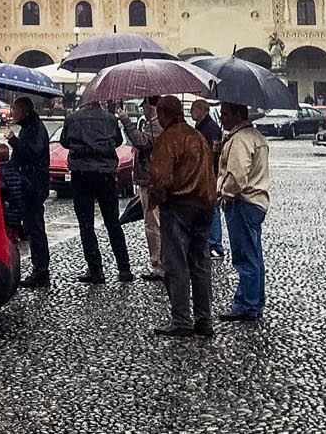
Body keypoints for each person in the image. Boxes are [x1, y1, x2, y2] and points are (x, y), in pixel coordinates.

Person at [144, 95, 216, 337]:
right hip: (204, 207)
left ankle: (182, 319)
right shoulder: (198, 137)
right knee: (200, 264)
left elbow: (161, 180)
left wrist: (156, 195)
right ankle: (204, 319)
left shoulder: (168, 139)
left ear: (164, 114)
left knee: (176, 264)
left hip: (179, 207)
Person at [61, 97, 132, 282]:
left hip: (81, 173)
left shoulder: (72, 118)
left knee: (86, 224)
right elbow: (118, 140)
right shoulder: (109, 119)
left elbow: (64, 142)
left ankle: (96, 269)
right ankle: (124, 268)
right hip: (105, 174)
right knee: (112, 221)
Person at [214, 103, 270, 322]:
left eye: (225, 114)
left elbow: (237, 177)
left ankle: (247, 304)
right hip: (257, 202)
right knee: (254, 254)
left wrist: (221, 191)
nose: (222, 118)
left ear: (238, 115)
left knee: (245, 255)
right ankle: (255, 300)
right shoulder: (255, 137)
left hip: (242, 202)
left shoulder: (240, 140)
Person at [5, 95, 52, 288]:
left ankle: (41, 271)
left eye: (15, 109)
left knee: (35, 230)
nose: (12, 113)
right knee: (32, 230)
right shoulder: (29, 128)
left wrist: (13, 141)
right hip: (29, 185)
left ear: (24, 111)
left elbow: (32, 153)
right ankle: (39, 270)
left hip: (33, 187)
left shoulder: (35, 129)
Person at [129, 97, 165, 281]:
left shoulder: (156, 125)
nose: (142, 109)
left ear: (151, 107)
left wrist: (126, 122)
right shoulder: (152, 124)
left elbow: (142, 142)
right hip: (150, 180)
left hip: (151, 182)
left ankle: (158, 265)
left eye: (144, 105)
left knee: (153, 225)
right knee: (155, 223)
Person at [191, 98, 227, 259]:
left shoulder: (210, 128)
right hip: (203, 172)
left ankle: (216, 244)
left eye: (193, 109)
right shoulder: (201, 126)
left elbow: (210, 153)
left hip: (209, 173)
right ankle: (209, 241)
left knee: (213, 208)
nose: (191, 112)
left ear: (202, 110)